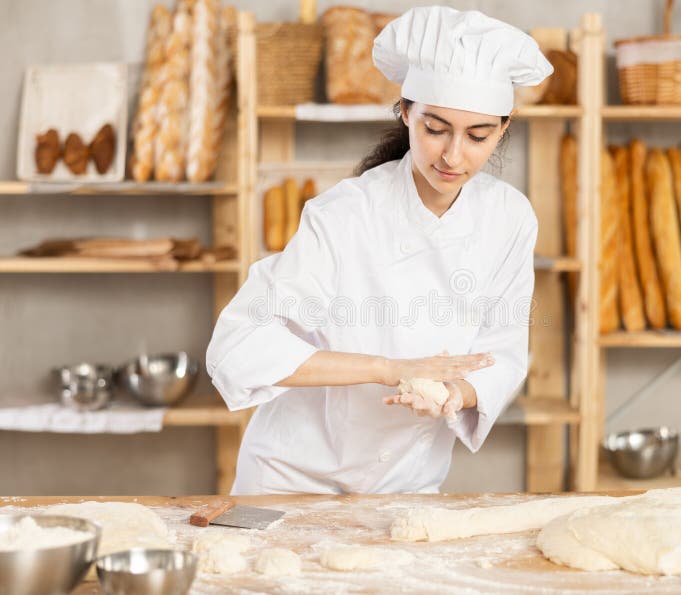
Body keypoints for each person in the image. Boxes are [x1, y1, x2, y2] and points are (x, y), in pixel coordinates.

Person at [206, 5, 552, 495]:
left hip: (406, 486)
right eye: (435, 129)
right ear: (406, 111)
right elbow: (239, 345)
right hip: (291, 480)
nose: (454, 156)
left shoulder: (509, 220)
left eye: (478, 136)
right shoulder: (345, 215)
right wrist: (387, 369)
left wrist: (453, 395)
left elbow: (501, 353)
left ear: (504, 125)